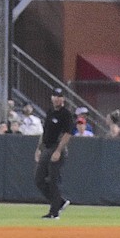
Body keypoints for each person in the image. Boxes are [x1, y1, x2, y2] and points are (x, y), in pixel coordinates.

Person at [35, 88, 74, 219]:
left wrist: (58, 150)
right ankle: (60, 202)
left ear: (63, 99)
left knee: (53, 180)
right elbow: (44, 132)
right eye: (55, 96)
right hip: (46, 147)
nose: (57, 98)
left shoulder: (66, 114)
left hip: (57, 148)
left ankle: (54, 212)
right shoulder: (50, 112)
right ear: (51, 98)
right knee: (39, 179)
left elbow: (67, 134)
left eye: (59, 96)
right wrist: (38, 148)